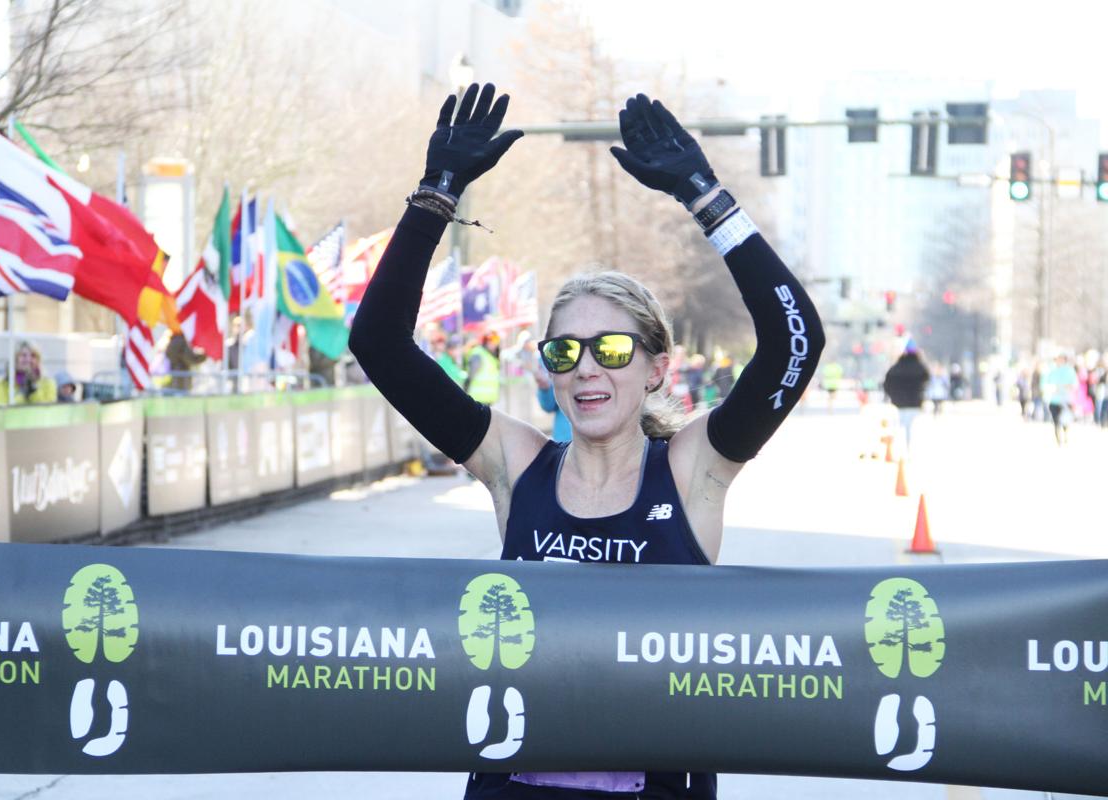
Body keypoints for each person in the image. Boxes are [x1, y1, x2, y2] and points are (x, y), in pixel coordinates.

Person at [350, 84, 824, 799]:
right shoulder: (517, 467)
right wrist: (435, 195)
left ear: (656, 367)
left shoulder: (695, 471)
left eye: (608, 348)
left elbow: (795, 341)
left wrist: (705, 197)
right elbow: (379, 345)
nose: (586, 369)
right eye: (564, 353)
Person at [882, 341, 930, 452]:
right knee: (912, 427)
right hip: (915, 403)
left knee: (901, 426)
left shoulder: (896, 367)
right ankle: (910, 449)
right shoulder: (920, 368)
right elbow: (927, 381)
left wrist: (892, 395)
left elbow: (887, 384)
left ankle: (901, 450)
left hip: (899, 403)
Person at [1043, 353, 1078, 445]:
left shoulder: (1070, 371)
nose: (1059, 361)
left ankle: (1065, 434)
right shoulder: (1052, 370)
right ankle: (1058, 438)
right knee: (1056, 420)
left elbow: (1075, 384)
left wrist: (1067, 387)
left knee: (1065, 420)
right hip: (1054, 400)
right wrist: (1052, 388)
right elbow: (1046, 383)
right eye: (1058, 359)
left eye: (1061, 359)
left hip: (1066, 399)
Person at [465, 331, 502, 405]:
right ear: (486, 341)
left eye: (496, 340)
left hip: (488, 398)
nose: (495, 343)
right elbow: (471, 375)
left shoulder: (491, 355)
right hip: (477, 399)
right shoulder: (478, 354)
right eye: (492, 340)